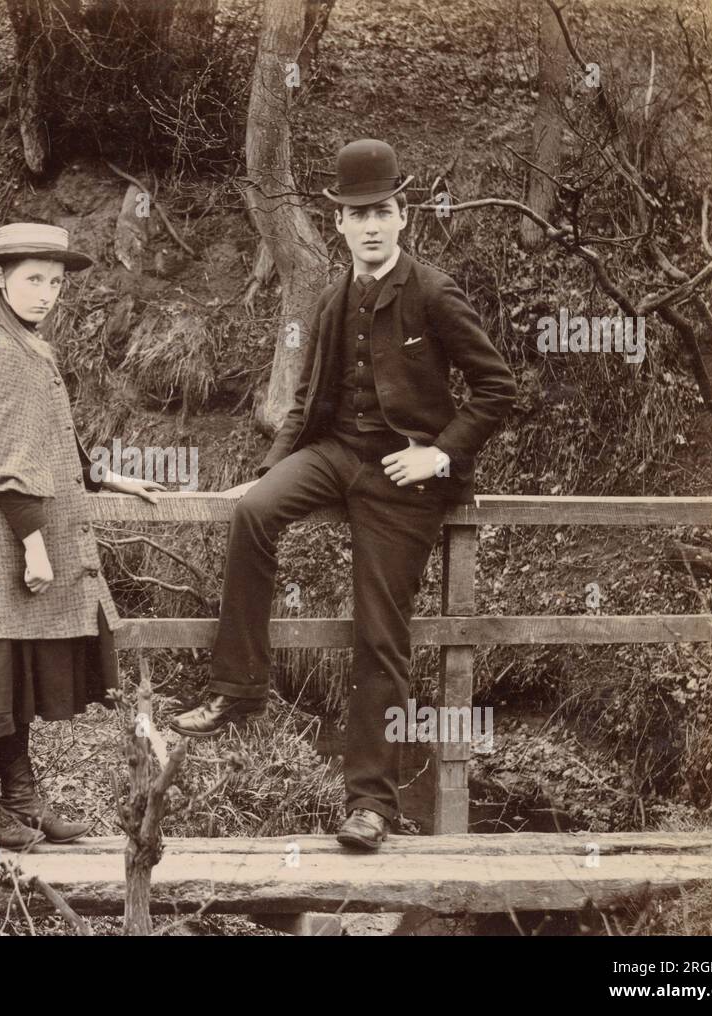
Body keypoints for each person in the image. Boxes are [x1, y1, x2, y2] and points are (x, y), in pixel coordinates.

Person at [171, 140, 517, 851]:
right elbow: (303, 405)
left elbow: (497, 389)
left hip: (402, 480)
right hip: (334, 456)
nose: (370, 226)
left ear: (403, 217)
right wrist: (269, 468)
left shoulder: (434, 293)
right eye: (357, 214)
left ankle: (371, 805)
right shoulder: (333, 299)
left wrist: (439, 454)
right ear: (338, 224)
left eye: (382, 212)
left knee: (379, 635)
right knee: (254, 513)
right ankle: (238, 689)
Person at [0, 222, 164, 849]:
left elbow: (44, 438)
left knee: (3, 669)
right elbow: (1, 457)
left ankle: (20, 794)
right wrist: (36, 545)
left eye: (55, 281)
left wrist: (105, 476)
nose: (47, 293)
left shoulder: (21, 340)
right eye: (33, 279)